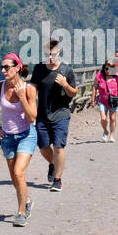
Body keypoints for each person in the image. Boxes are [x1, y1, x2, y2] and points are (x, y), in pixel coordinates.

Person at [0, 52, 38, 226]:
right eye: (2, 67)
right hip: (7, 136)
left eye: (7, 67)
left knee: (18, 172)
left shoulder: (29, 89)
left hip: (26, 135)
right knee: (15, 178)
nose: (3, 70)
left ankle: (21, 212)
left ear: (17, 67)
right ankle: (27, 200)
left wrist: (22, 98)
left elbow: (32, 118)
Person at [30, 38, 78, 192]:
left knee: (58, 147)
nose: (49, 57)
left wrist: (65, 84)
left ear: (58, 52)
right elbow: (33, 89)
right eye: (47, 54)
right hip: (42, 115)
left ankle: (57, 180)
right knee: (43, 146)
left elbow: (74, 92)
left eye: (52, 54)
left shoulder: (66, 70)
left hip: (61, 114)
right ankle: (53, 163)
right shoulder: (39, 69)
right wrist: (28, 107)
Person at [93, 59, 118, 142]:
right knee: (103, 118)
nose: (108, 71)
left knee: (113, 118)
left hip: (113, 100)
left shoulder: (116, 76)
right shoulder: (99, 75)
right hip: (103, 101)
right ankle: (105, 131)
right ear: (104, 68)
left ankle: (112, 135)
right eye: (106, 69)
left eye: (110, 69)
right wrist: (92, 100)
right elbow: (95, 87)